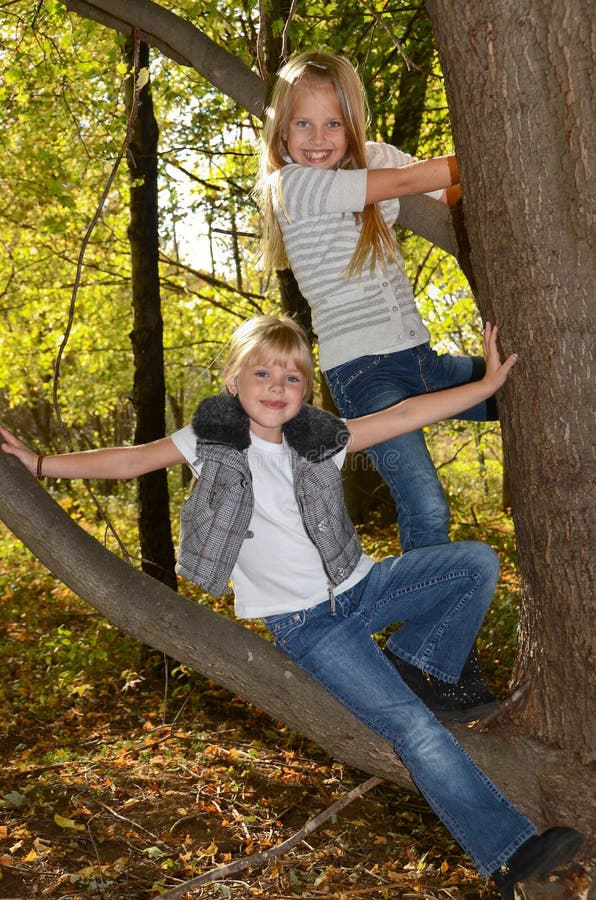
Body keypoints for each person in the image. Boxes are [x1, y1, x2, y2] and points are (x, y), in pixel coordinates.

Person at [0, 315, 581, 897]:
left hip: (364, 587)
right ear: (233, 381)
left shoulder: (319, 438)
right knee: (415, 729)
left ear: (305, 390)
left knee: (474, 563)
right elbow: (131, 460)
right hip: (310, 627)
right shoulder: (211, 439)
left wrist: (485, 387)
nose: (277, 386)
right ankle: (508, 854)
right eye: (263, 374)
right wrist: (41, 464)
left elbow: (403, 416)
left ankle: (415, 664)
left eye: (293, 377)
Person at [256, 49, 499, 712]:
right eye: (303, 125)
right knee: (426, 505)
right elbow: (410, 182)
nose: (318, 139)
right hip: (365, 371)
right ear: (281, 132)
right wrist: (500, 148)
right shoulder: (292, 186)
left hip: (419, 360)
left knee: (520, 392)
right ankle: (427, 659)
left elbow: (443, 191)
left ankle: (434, 657)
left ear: (352, 122)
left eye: (332, 124)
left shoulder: (377, 158)